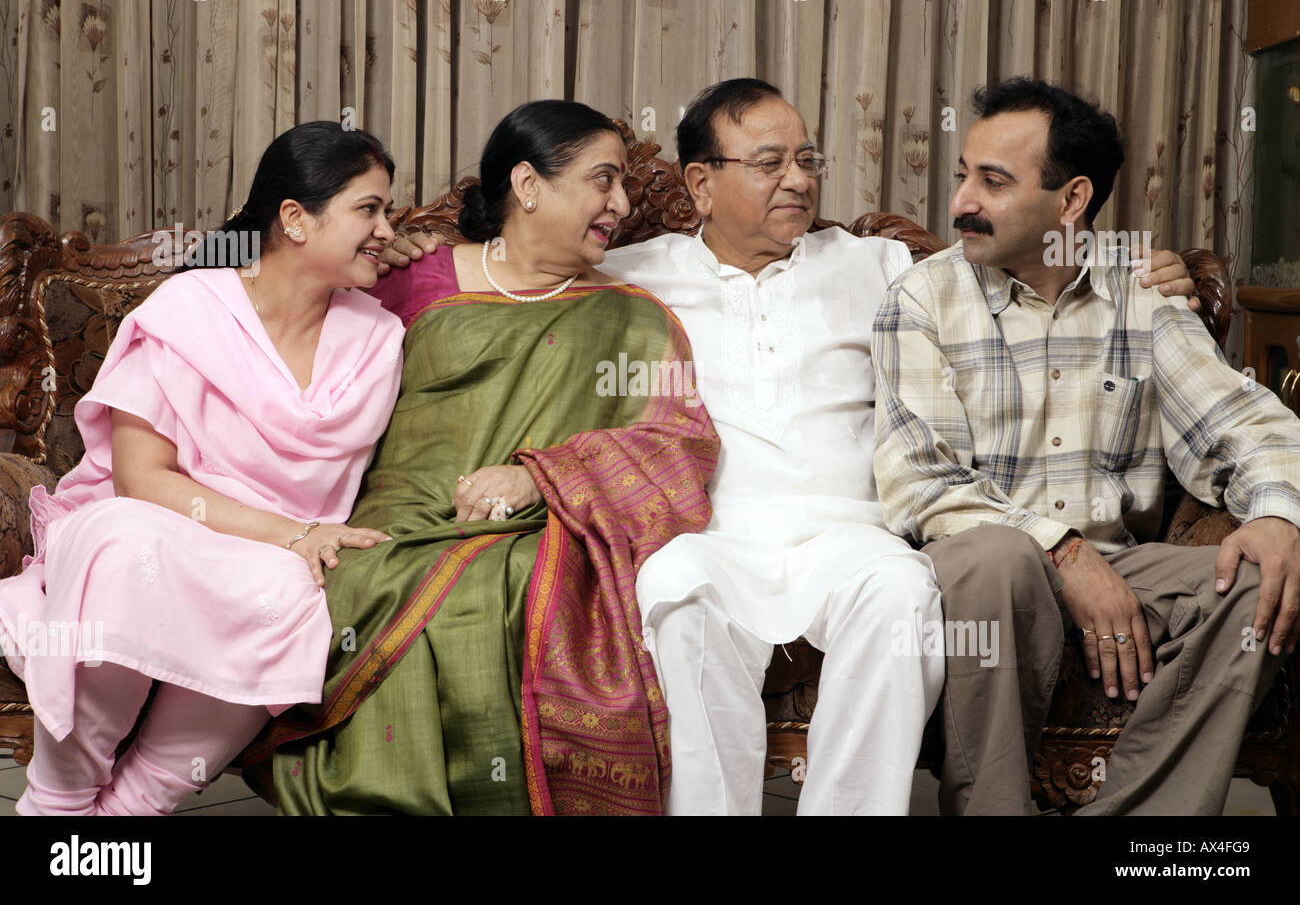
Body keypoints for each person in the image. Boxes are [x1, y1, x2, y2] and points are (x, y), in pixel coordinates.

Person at [386, 78, 1202, 815]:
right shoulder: (631, 274)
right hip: (708, 532)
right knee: (671, 586)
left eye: (808, 159)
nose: (801, 179)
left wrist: (1135, 262)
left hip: (852, 532)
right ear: (701, 184)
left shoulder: (882, 264)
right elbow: (517, 275)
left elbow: (1014, 254)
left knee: (899, 597)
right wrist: (412, 250)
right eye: (770, 161)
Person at [244, 100, 720, 815]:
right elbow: (284, 352)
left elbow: (677, 445)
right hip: (397, 520)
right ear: (528, 186)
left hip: (546, 530)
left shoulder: (634, 315)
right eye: (603, 180)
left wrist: (539, 477)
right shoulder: (412, 278)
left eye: (623, 184)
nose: (622, 204)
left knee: (523, 590)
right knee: (366, 576)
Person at [873, 77, 1300, 815]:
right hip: (989, 564)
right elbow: (924, 483)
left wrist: (1275, 514)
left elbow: (1250, 424)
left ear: (1070, 202)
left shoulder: (1141, 293)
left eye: (992, 181)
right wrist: (1061, 551)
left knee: (1265, 578)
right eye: (963, 174)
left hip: (1125, 563)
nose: (959, 203)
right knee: (998, 557)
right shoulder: (922, 299)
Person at [0, 121, 407, 815]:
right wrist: (291, 532)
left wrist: (295, 541)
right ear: (295, 220)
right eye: (369, 209)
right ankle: (61, 802)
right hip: (154, 521)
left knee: (288, 594)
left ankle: (130, 814)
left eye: (390, 211)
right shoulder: (193, 310)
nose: (388, 229)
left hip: (270, 554)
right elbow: (143, 481)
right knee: (123, 547)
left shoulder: (376, 337)